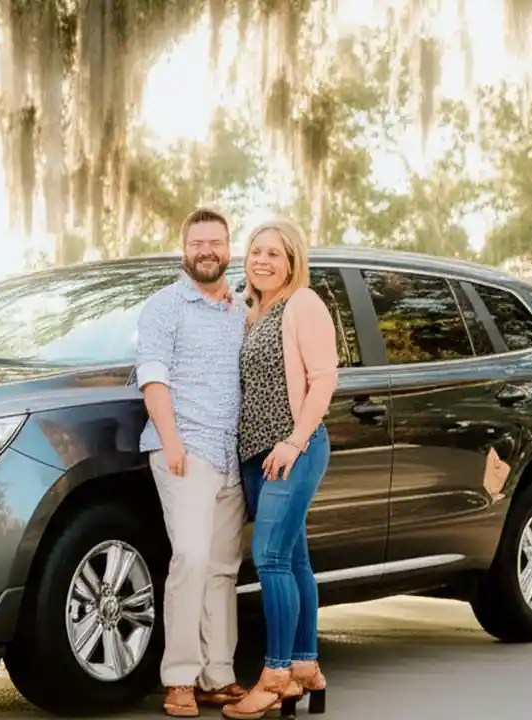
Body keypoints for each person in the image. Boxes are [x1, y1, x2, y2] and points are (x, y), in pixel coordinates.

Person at [135, 207, 250, 717]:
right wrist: (172, 441)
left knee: (224, 568)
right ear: (184, 251)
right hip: (184, 452)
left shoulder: (243, 310)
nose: (207, 251)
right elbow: (153, 378)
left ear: (229, 250)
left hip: (231, 455)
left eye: (216, 242)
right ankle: (179, 678)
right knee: (191, 560)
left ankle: (218, 674)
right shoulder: (164, 308)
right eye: (198, 243)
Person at [222, 219, 337, 720]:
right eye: (255, 251)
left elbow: (324, 378)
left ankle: (275, 676)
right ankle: (307, 668)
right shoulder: (251, 313)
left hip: (295, 448)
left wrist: (294, 440)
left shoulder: (303, 305)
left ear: (292, 261)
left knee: (268, 557)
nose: (262, 260)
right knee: (292, 560)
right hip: (256, 453)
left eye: (274, 253)